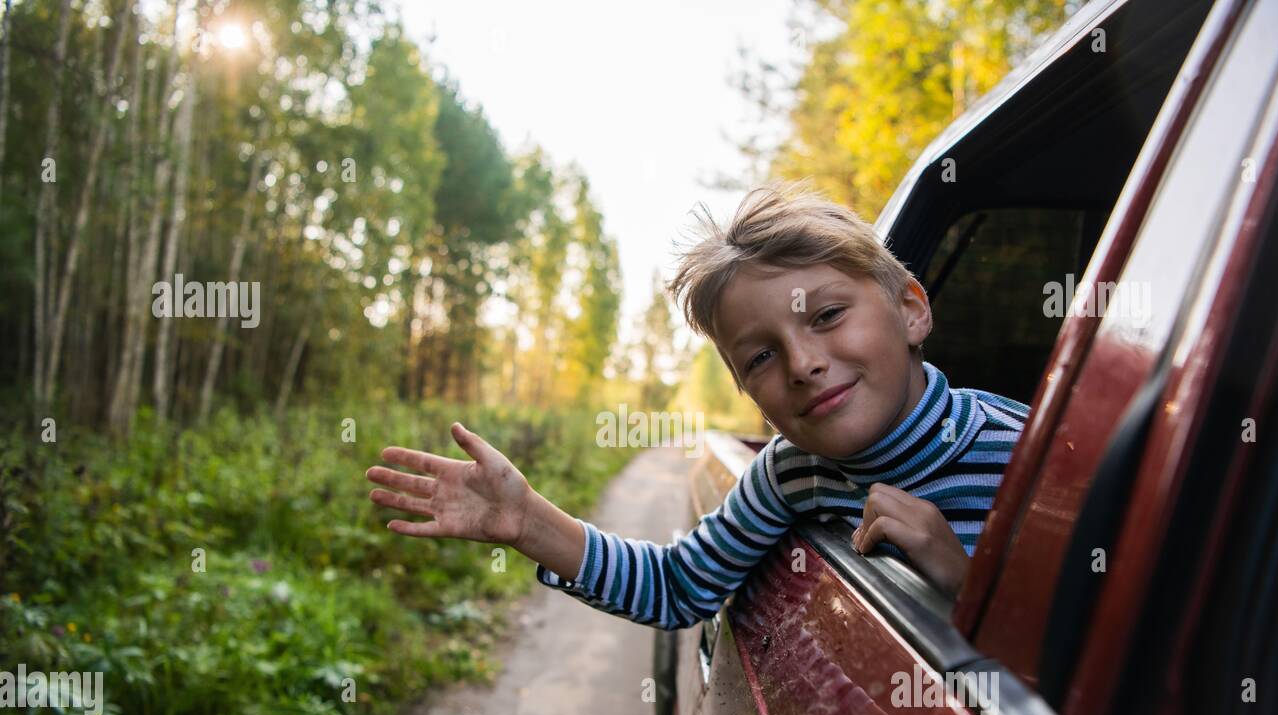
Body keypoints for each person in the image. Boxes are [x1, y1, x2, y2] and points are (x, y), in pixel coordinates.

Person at [365, 181, 1029, 630]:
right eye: (761, 357)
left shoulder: (1029, 451)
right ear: (744, 390)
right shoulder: (789, 472)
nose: (803, 364)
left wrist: (963, 582)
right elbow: (678, 586)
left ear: (911, 310)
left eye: (826, 314)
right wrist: (526, 521)